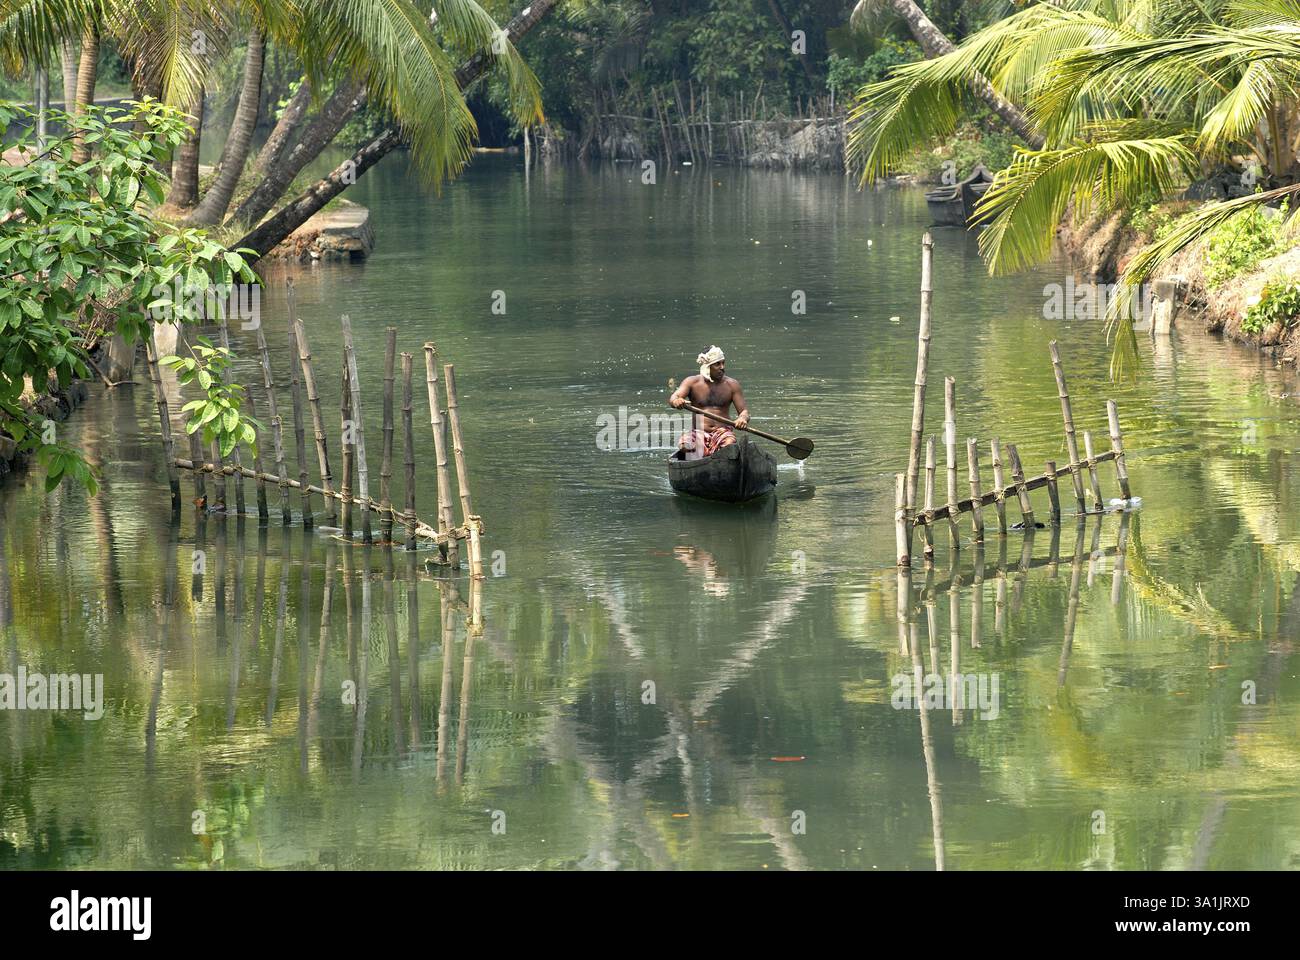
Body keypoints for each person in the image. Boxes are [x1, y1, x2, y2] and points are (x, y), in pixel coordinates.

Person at [668, 345, 749, 460]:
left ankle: (714, 455)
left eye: (723, 363)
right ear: (707, 366)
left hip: (722, 432)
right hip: (699, 432)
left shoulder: (732, 384)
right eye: (717, 364)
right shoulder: (692, 382)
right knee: (685, 445)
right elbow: (673, 398)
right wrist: (676, 401)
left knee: (730, 444)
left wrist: (742, 419)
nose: (722, 367)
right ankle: (705, 454)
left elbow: (744, 411)